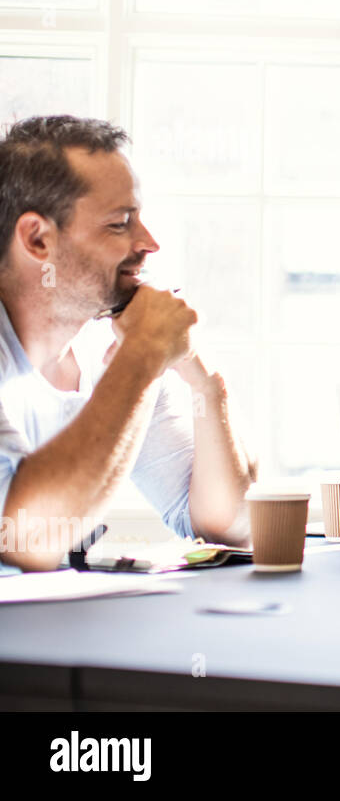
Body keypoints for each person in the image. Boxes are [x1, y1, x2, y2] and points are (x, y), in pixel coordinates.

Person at [0, 116, 256, 572]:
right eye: (120, 224)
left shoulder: (110, 348)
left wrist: (206, 383)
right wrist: (145, 355)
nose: (149, 243)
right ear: (38, 240)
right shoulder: (133, 355)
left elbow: (229, 525)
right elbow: (27, 538)